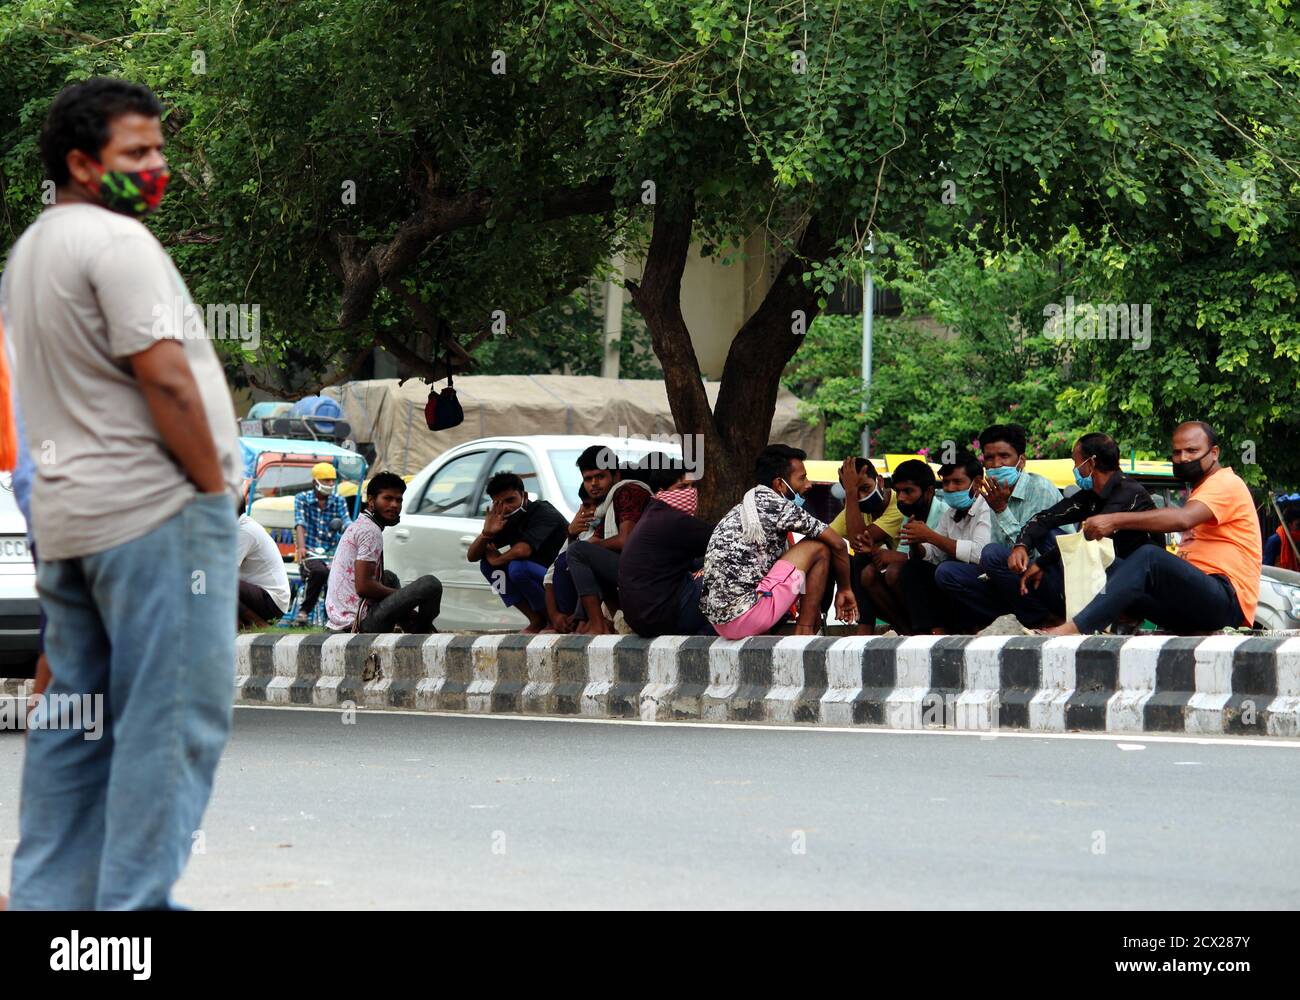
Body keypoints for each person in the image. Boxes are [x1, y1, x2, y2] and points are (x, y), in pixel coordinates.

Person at [3, 78, 240, 910]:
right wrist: (213, 496)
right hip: (156, 518)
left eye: (158, 149)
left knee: (73, 722)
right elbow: (167, 381)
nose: (156, 165)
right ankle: (133, 918)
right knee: (169, 721)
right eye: (136, 152)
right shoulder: (118, 241)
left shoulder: (34, 248)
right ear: (80, 161)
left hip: (72, 525)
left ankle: (46, 907)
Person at [1041, 422, 1262, 636]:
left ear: (1214, 453)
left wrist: (1114, 520)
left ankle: (1076, 628)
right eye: (1177, 452)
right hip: (1189, 606)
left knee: (1149, 556)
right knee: (1104, 562)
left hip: (1226, 601)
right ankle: (1068, 622)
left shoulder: (1225, 483)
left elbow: (1183, 519)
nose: (1183, 458)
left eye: (1192, 451)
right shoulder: (1202, 489)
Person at [1006, 433, 1163, 626]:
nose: (1074, 469)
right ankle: (1059, 614)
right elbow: (1045, 518)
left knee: (1084, 549)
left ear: (1092, 462)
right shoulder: (1091, 495)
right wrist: (1021, 545)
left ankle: (1115, 618)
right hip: (1110, 575)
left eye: (1075, 462)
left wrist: (1040, 562)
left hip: (1141, 581)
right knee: (1050, 536)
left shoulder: (1128, 493)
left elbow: (1087, 539)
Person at [700, 444, 857, 638]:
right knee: (819, 546)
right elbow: (838, 543)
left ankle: (802, 621)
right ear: (780, 484)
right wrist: (844, 589)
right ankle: (804, 632)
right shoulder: (777, 506)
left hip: (720, 622)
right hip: (745, 617)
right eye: (802, 478)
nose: (808, 484)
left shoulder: (747, 505)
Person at [935, 423, 1065, 630]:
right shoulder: (993, 495)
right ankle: (1014, 619)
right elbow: (999, 553)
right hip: (1017, 582)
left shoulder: (1040, 489)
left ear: (1021, 461)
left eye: (1004, 457)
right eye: (989, 458)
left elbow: (1037, 552)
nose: (996, 464)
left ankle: (1045, 619)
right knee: (947, 573)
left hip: (1049, 577)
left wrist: (1001, 510)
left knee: (991, 554)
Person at [326, 472, 442, 633]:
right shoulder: (370, 531)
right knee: (431, 585)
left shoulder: (362, 523)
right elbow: (364, 587)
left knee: (388, 577)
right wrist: (403, 597)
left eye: (398, 500)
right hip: (360, 623)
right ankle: (420, 632)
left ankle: (413, 626)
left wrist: (402, 601)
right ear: (372, 501)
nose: (394, 505)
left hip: (347, 616)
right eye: (387, 498)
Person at [555, 445, 651, 634]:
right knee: (578, 555)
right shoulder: (606, 506)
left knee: (581, 553)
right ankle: (597, 622)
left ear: (616, 475)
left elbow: (626, 541)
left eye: (600, 476)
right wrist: (571, 534)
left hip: (648, 570)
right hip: (632, 572)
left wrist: (589, 548)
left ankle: (597, 626)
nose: (594, 484)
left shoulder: (627, 491)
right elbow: (580, 554)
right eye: (588, 479)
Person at [897, 453, 993, 633]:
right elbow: (933, 554)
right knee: (914, 568)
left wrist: (931, 536)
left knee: (946, 570)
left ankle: (966, 627)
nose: (950, 488)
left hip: (985, 581)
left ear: (978, 482)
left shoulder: (987, 508)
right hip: (956, 580)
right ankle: (930, 631)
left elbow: (979, 554)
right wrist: (915, 542)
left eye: (957, 482)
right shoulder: (950, 513)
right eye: (946, 482)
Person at [618, 465, 716, 637]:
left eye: (693, 486)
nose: (691, 492)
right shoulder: (672, 520)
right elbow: (722, 539)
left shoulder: (654, 513)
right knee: (727, 578)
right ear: (662, 491)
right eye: (683, 487)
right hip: (662, 615)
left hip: (644, 617)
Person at [466, 471, 568, 632]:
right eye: (499, 503)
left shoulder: (544, 512)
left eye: (510, 500)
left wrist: (498, 560)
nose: (506, 507)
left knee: (517, 568)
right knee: (488, 567)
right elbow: (472, 556)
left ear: (524, 495)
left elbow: (523, 551)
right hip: (542, 579)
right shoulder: (506, 520)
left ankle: (552, 619)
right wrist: (487, 533)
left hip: (563, 582)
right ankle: (536, 619)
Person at [851, 459, 941, 634]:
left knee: (896, 572)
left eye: (908, 491)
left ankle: (924, 630)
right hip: (916, 579)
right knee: (867, 570)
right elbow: (904, 555)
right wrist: (878, 553)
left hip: (939, 587)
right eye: (898, 491)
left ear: (929, 491)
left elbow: (938, 559)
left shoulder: (943, 513)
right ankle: (905, 631)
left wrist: (895, 556)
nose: (901, 498)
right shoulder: (908, 515)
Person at [292, 461, 352, 624]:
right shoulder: (302, 499)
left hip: (333, 553)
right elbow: (300, 523)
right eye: (326, 480)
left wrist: (351, 531)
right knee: (320, 572)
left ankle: (335, 617)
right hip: (310, 552)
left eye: (332, 480)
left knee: (340, 575)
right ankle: (304, 612)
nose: (330, 484)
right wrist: (302, 547)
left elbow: (346, 521)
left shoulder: (339, 500)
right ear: (315, 482)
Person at [237, 496, 292, 626]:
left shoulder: (244, 531)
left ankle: (258, 624)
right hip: (262, 597)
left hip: (272, 601)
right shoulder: (238, 528)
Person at [1263, 505, 1300, 570]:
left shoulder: (1295, 539)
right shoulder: (1274, 541)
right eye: (1298, 525)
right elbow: (1267, 567)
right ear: (1289, 524)